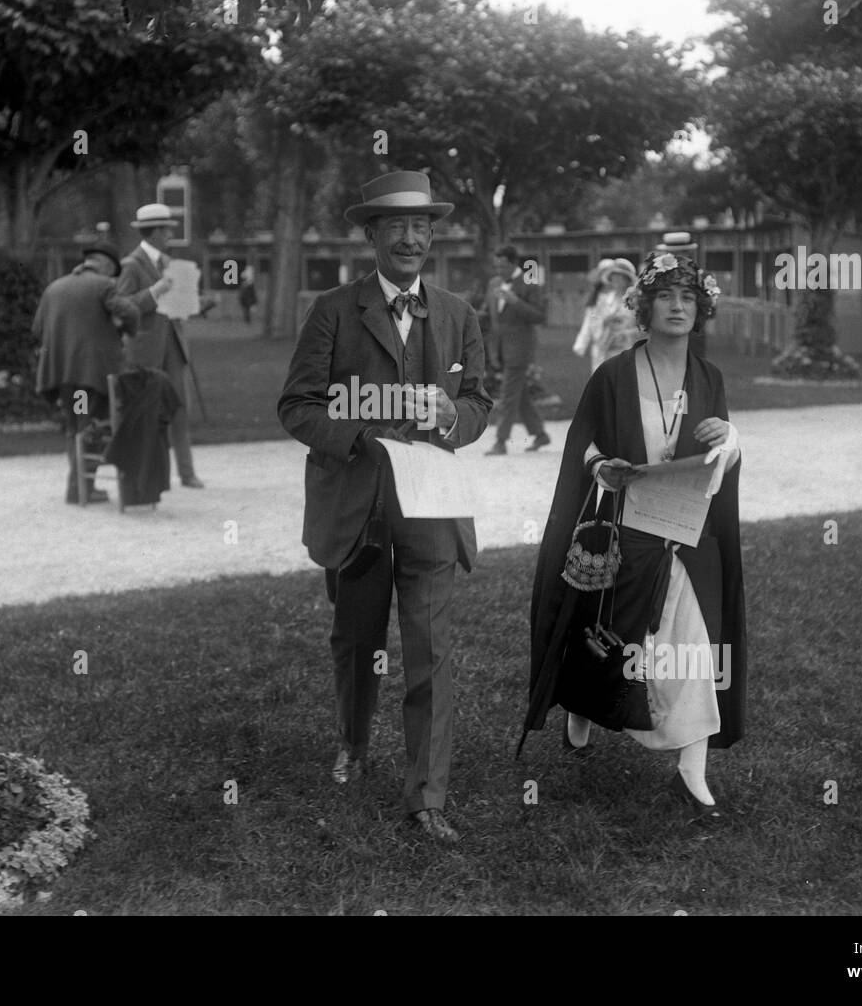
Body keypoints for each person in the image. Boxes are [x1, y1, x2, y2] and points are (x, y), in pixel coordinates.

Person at [278, 170, 493, 846]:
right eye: (395, 225)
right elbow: (298, 406)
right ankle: (352, 743)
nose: (410, 237)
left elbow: (482, 403)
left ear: (432, 235)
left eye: (421, 225)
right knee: (357, 640)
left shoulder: (458, 314)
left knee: (431, 649)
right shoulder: (333, 310)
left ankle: (427, 796)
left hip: (431, 507)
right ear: (371, 235)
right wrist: (361, 436)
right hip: (358, 504)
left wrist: (453, 415)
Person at [520, 250, 746, 823]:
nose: (677, 306)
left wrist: (731, 435)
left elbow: (723, 454)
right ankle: (582, 706)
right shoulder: (615, 374)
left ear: (701, 310)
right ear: (645, 308)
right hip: (627, 532)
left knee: (694, 647)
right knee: (611, 642)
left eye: (688, 297)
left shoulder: (709, 378)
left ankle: (692, 771)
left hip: (689, 536)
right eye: (665, 296)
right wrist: (600, 469)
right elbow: (583, 443)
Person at [33, 243, 141, 504]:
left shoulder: (54, 288)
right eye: (112, 271)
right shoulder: (103, 285)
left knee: (76, 426)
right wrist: (125, 329)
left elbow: (37, 329)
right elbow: (130, 312)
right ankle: (80, 489)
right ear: (104, 265)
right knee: (89, 427)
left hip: (62, 376)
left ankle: (81, 486)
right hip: (89, 376)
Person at [117, 203, 204, 488]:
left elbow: (177, 304)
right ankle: (146, 473)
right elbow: (123, 306)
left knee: (179, 408)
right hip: (145, 349)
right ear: (153, 231)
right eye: (166, 229)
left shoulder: (170, 263)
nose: (170, 233)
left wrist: (195, 304)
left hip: (173, 346)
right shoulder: (131, 265)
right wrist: (156, 291)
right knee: (146, 411)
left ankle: (187, 472)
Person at [484, 244, 550, 455]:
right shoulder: (494, 283)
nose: (499, 270)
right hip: (502, 348)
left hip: (521, 348)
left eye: (503, 266)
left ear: (513, 263)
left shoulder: (529, 281)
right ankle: (540, 434)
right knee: (519, 394)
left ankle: (501, 441)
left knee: (508, 395)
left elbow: (540, 315)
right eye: (496, 266)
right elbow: (491, 315)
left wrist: (515, 302)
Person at [573, 257, 639, 372]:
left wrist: (626, 334)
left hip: (628, 350)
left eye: (620, 277)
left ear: (627, 280)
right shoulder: (604, 300)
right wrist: (605, 321)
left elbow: (644, 329)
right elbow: (593, 322)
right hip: (604, 350)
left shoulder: (637, 301)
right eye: (614, 277)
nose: (616, 280)